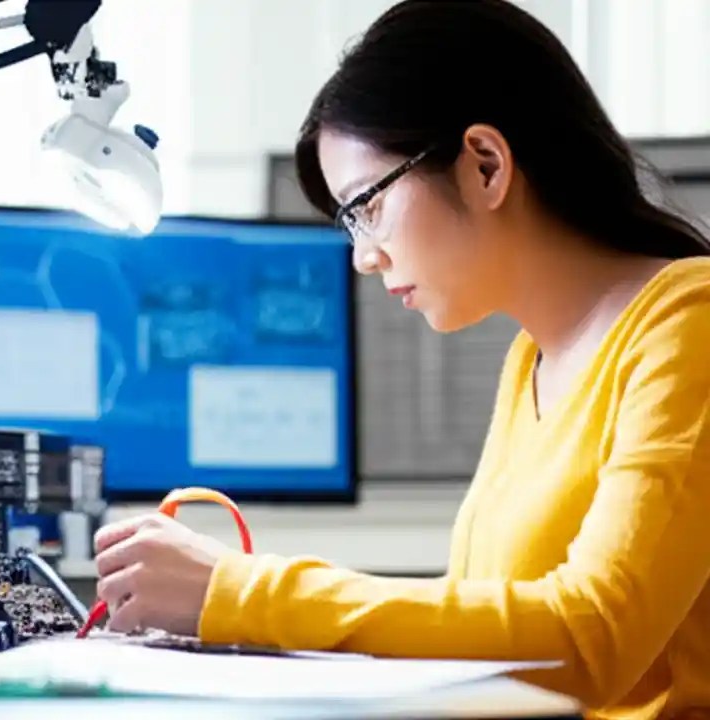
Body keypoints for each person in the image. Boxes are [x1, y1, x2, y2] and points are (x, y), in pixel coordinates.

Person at [90, 1, 710, 717]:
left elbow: (592, 636)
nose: (362, 257)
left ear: (484, 164)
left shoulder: (688, 321)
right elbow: (476, 628)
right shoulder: (529, 363)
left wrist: (241, 593)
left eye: (366, 206)